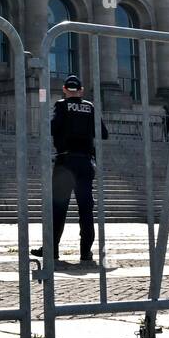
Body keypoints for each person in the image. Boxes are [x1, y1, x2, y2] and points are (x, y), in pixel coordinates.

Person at [31, 74, 108, 264]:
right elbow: (103, 133)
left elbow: (50, 127)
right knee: (86, 209)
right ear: (81, 90)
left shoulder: (61, 105)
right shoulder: (89, 107)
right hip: (85, 162)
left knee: (58, 208)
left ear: (65, 89)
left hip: (65, 162)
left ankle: (52, 249)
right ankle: (85, 252)